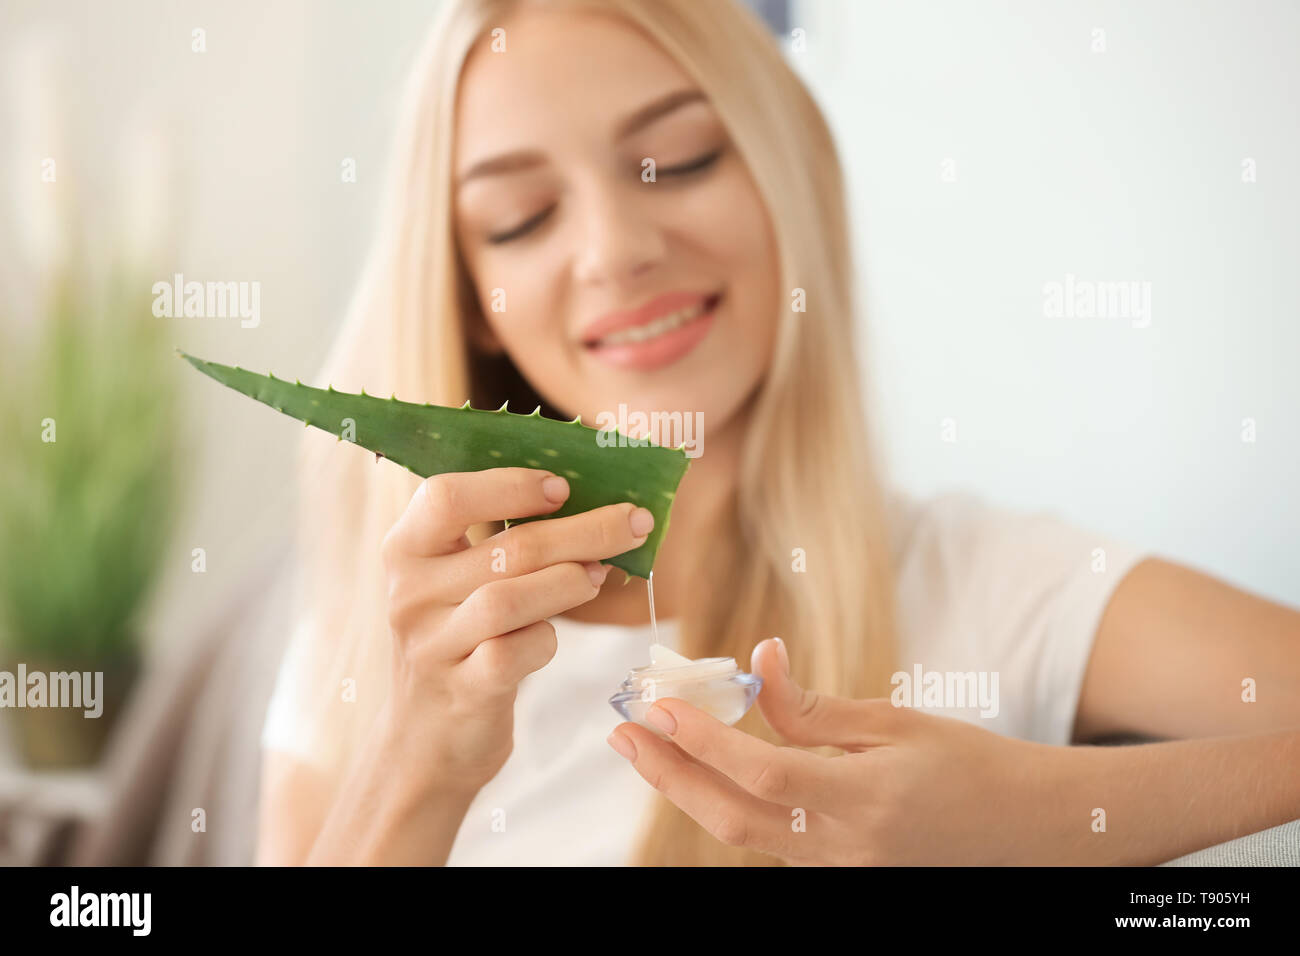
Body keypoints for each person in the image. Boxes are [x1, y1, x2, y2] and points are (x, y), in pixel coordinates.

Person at [255, 0, 1300, 866]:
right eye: (522, 216)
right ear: (473, 299)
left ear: (787, 174)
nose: (616, 249)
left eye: (681, 155)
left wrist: (1051, 814)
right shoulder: (376, 629)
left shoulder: (984, 583)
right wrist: (417, 767)